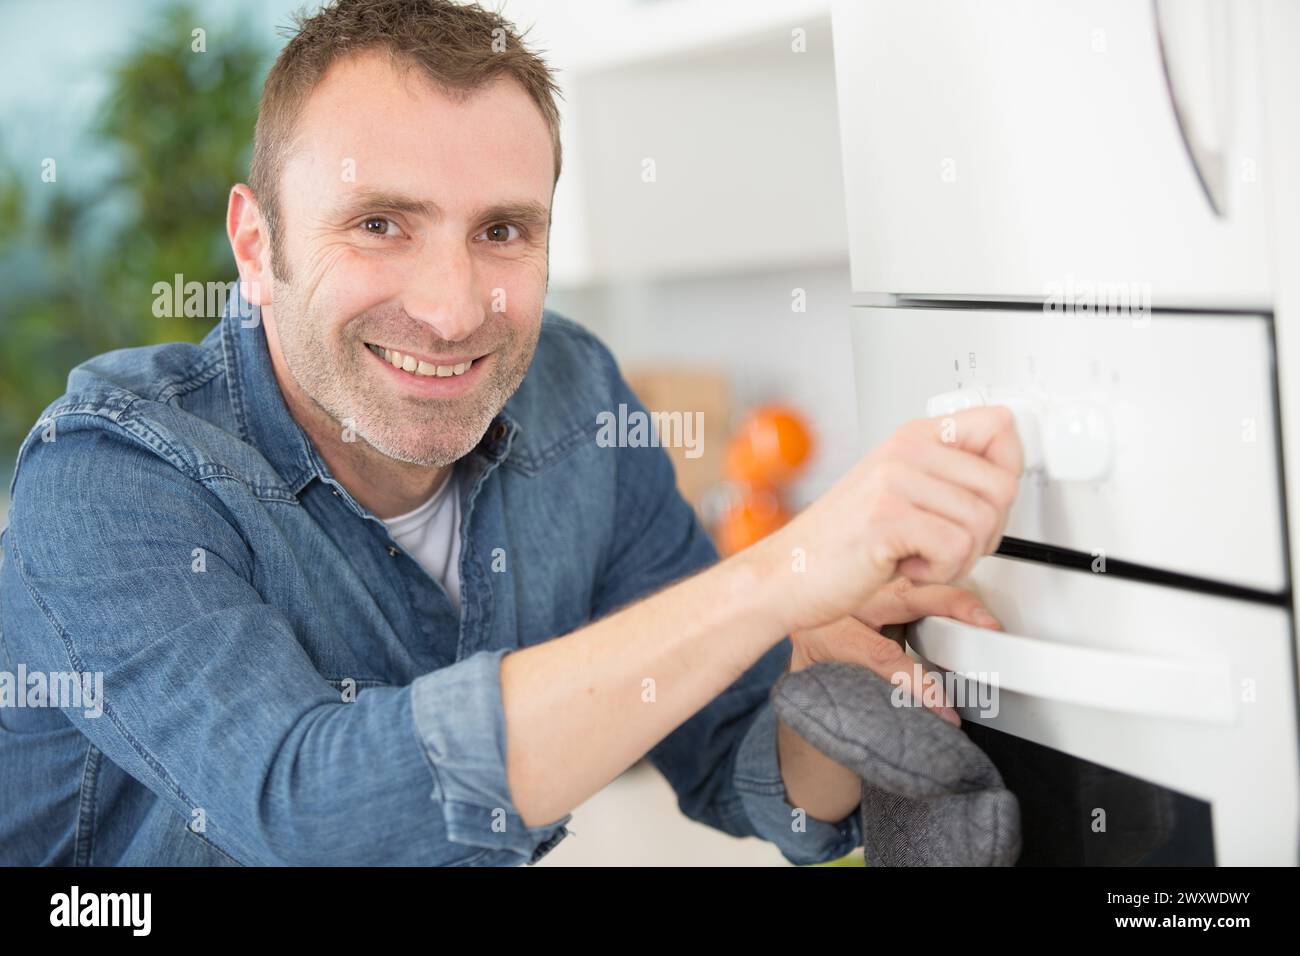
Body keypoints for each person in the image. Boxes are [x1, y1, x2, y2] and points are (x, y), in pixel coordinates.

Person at [0, 0, 1021, 866]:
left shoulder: (575, 392)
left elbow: (728, 750)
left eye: (501, 230)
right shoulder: (110, 472)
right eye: (380, 224)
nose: (451, 311)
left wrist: (834, 703)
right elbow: (306, 805)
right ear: (257, 248)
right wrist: (771, 581)